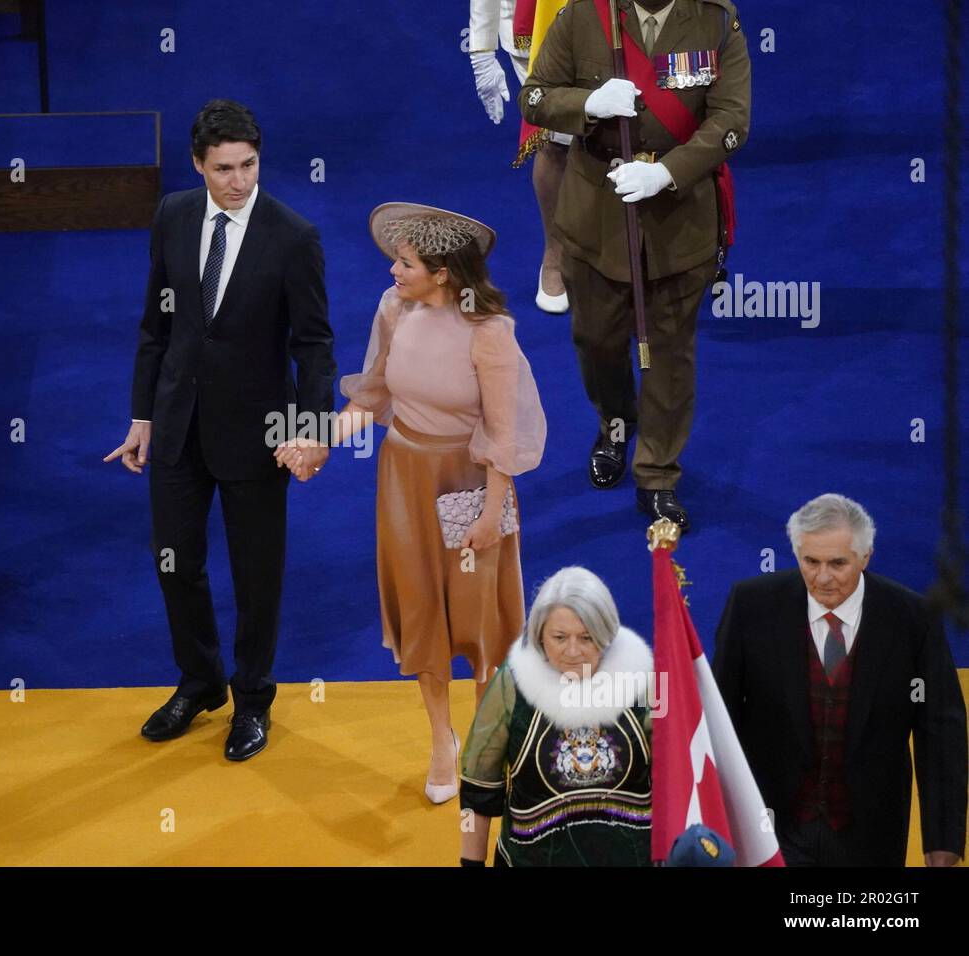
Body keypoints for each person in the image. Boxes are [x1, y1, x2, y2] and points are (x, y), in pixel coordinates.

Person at [106, 99, 336, 763]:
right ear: (199, 166)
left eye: (249, 165)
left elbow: (314, 345)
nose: (238, 180)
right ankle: (201, 680)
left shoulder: (294, 236)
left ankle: (253, 698)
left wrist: (313, 428)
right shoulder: (173, 215)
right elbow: (158, 324)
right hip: (178, 425)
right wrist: (142, 414)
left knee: (256, 576)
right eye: (224, 168)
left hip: (260, 434)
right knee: (174, 562)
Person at [298, 202, 545, 803]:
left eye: (404, 263)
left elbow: (502, 434)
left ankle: (490, 737)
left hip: (469, 479)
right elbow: (371, 398)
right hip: (404, 478)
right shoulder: (393, 310)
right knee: (422, 613)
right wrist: (318, 441)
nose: (392, 272)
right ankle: (442, 738)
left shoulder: (490, 332)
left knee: (480, 615)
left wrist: (491, 514)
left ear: (442, 272)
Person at [520, 0, 751, 531]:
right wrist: (589, 104)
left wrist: (667, 172)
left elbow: (731, 118)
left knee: (670, 353)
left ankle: (658, 474)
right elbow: (534, 98)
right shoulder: (582, 16)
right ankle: (616, 423)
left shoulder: (715, 19)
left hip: (680, 213)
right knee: (598, 341)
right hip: (595, 214)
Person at [713, 493, 968, 867]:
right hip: (772, 828)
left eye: (838, 563)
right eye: (810, 561)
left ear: (865, 557)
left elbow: (940, 735)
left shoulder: (913, 619)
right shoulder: (751, 606)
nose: (822, 577)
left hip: (871, 835)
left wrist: (942, 840)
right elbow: (721, 717)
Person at [459, 566, 653, 865]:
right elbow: (477, 792)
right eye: (559, 637)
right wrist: (469, 865)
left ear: (607, 634)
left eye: (587, 638)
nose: (572, 651)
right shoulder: (512, 685)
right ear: (538, 635)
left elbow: (682, 779)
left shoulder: (647, 684)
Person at [467, 0, 572, 312]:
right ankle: (556, 255)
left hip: (616, 24)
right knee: (556, 141)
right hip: (536, 30)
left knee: (613, 141)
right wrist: (482, 53)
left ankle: (615, 254)